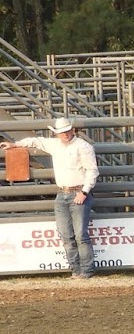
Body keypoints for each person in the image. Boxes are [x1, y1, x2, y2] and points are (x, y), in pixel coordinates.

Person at [1, 117, 99, 279]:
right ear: (58, 134)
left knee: (80, 235)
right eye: (62, 132)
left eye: (67, 131)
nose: (65, 134)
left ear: (72, 130)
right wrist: (15, 145)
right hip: (64, 192)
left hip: (78, 191)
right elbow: (35, 141)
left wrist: (84, 192)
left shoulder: (83, 147)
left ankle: (85, 271)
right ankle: (77, 270)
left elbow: (92, 171)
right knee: (67, 235)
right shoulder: (57, 145)